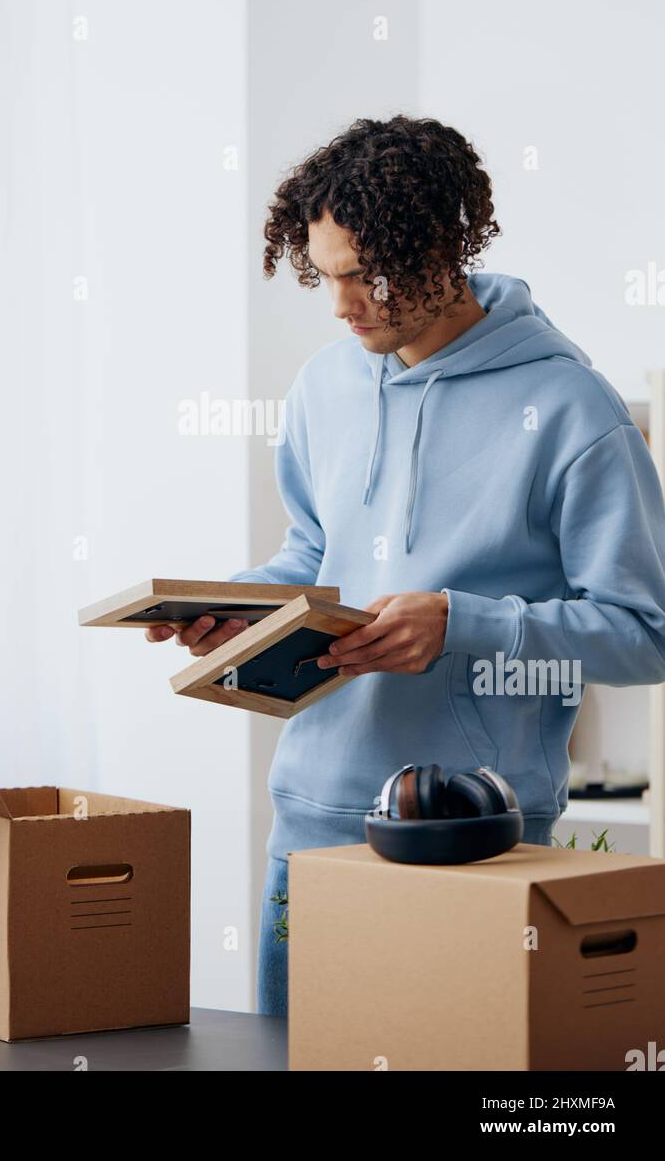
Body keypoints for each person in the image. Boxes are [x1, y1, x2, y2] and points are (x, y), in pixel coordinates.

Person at [146, 114, 665, 1016]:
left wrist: (463, 625)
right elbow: (315, 553)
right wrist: (240, 610)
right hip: (309, 830)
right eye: (326, 276)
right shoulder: (325, 385)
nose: (341, 305)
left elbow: (645, 634)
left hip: (477, 841)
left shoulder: (577, 411)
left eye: (360, 277)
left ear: (440, 251)